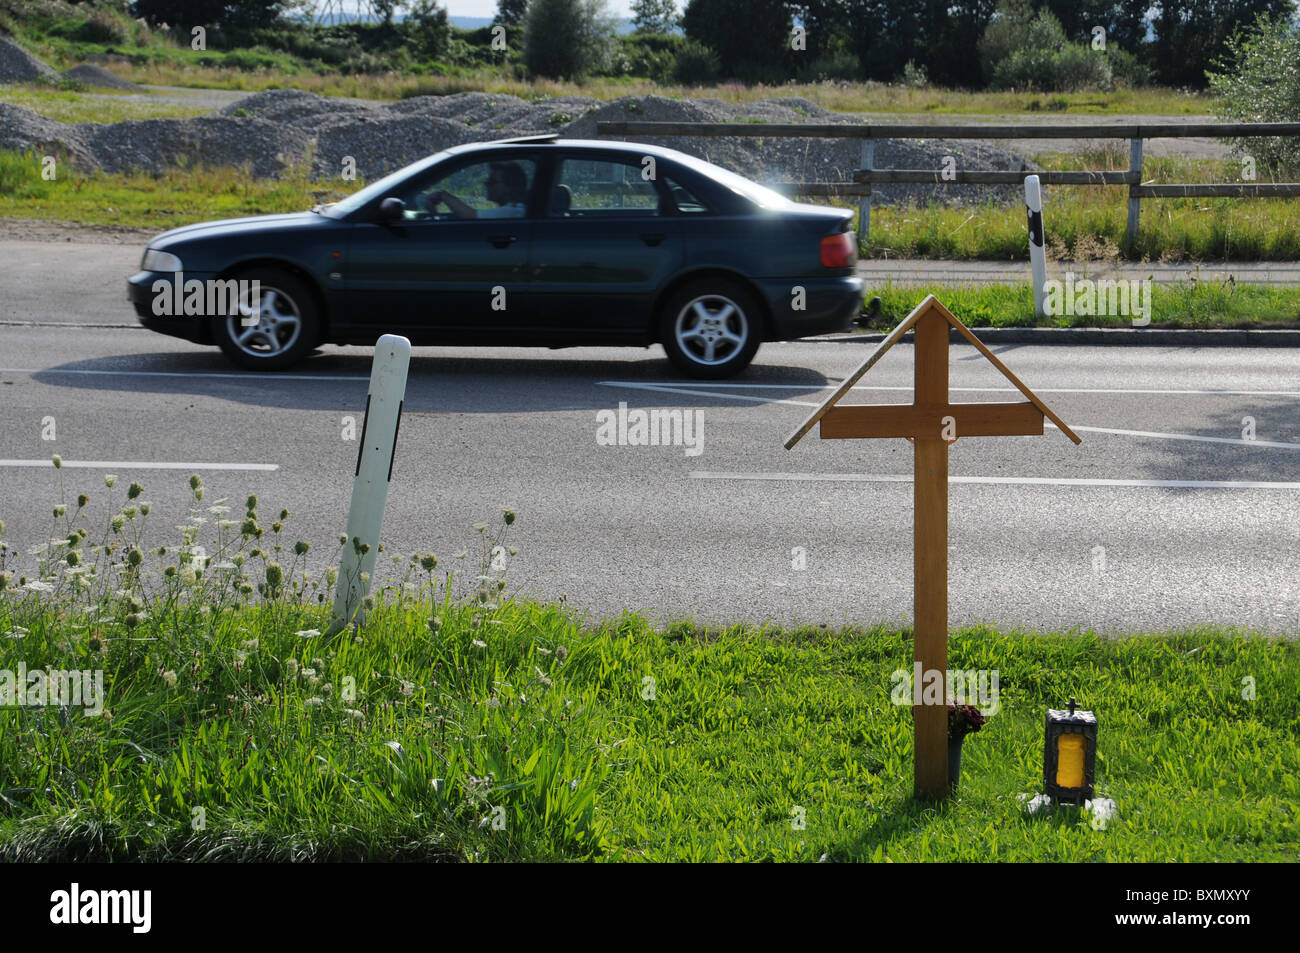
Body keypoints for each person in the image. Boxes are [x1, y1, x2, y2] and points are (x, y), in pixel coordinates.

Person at [426, 161, 528, 219]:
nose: (486, 184)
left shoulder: (514, 211)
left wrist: (442, 195)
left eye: (492, 181)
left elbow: (469, 215)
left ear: (508, 187)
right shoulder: (515, 210)